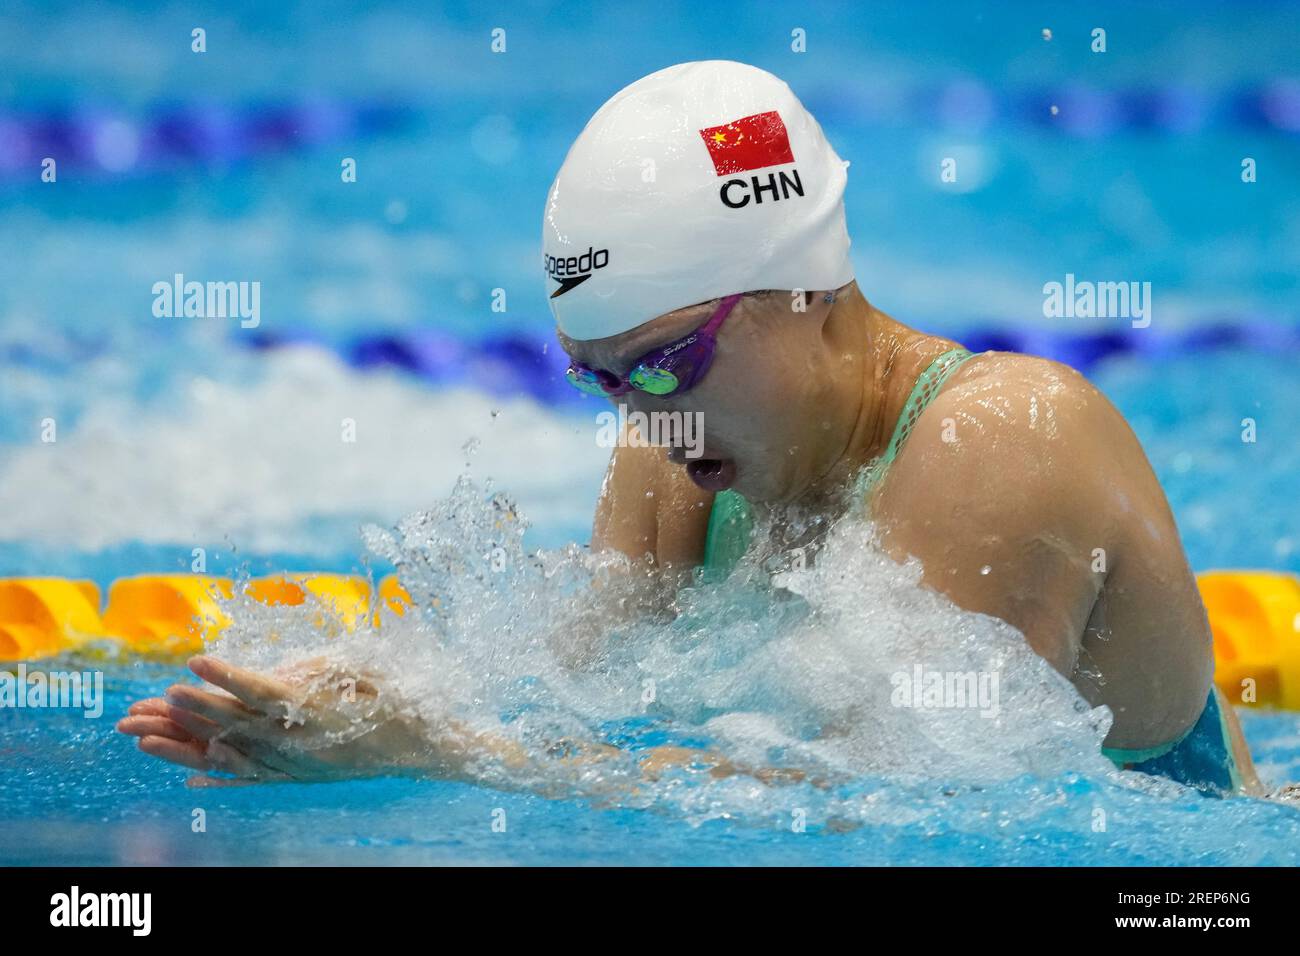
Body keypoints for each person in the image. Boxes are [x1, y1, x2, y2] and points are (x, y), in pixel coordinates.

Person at [118, 60, 1261, 797]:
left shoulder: (1005, 441)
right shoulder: (679, 459)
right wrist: (349, 704)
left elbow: (889, 804)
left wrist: (447, 752)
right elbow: (573, 701)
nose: (645, 425)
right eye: (600, 380)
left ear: (804, 288)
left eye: (665, 363)